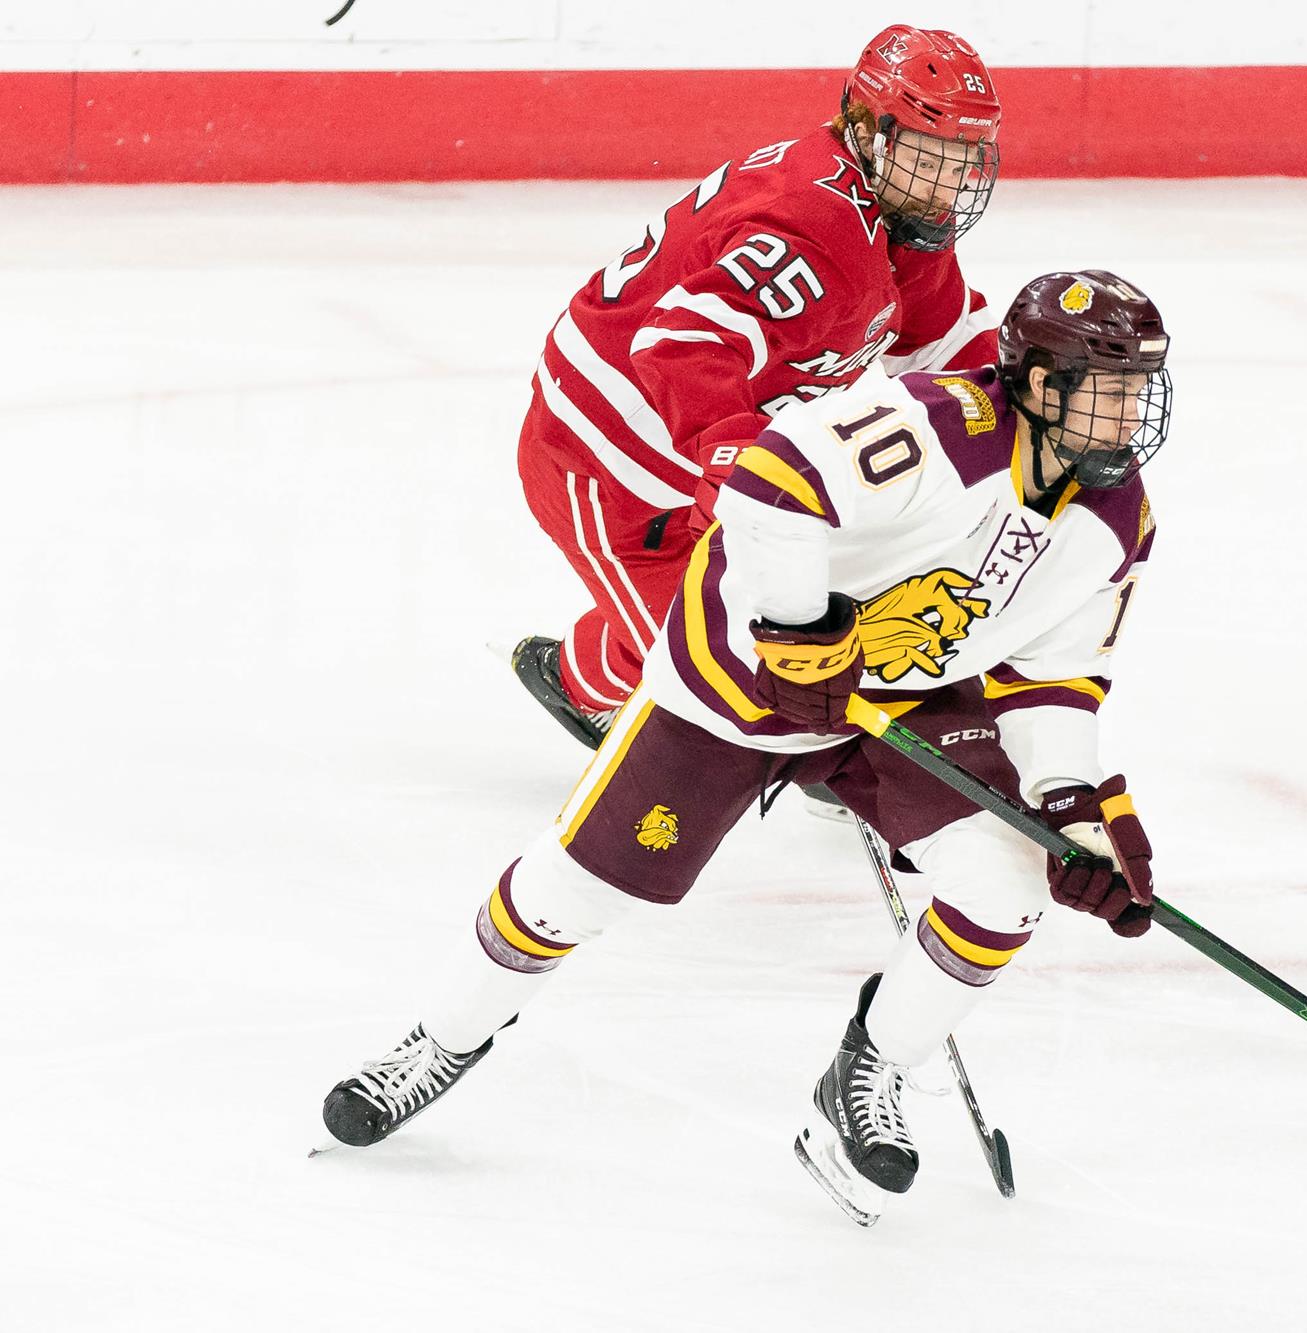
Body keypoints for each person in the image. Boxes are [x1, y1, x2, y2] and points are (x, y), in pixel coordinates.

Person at [323, 270, 1173, 1226]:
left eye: (1138, 388)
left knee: (1008, 882)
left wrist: (1071, 808)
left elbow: (1052, 681)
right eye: (1108, 388)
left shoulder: (1117, 523)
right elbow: (771, 483)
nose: (1129, 413)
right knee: (577, 889)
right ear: (1036, 381)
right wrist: (799, 630)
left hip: (905, 701)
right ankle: (441, 1039)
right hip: (734, 685)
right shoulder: (940, 429)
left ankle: (871, 1067)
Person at [510, 24, 1004, 749]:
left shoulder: (900, 214)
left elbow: (944, 339)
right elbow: (681, 342)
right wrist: (736, 464)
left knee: (753, 625)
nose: (951, 183)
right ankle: (604, 678)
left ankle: (588, 670)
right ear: (870, 133)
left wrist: (1021, 415)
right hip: (605, 464)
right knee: (724, 685)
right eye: (933, 157)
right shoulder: (819, 228)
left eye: (966, 159)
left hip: (691, 447)